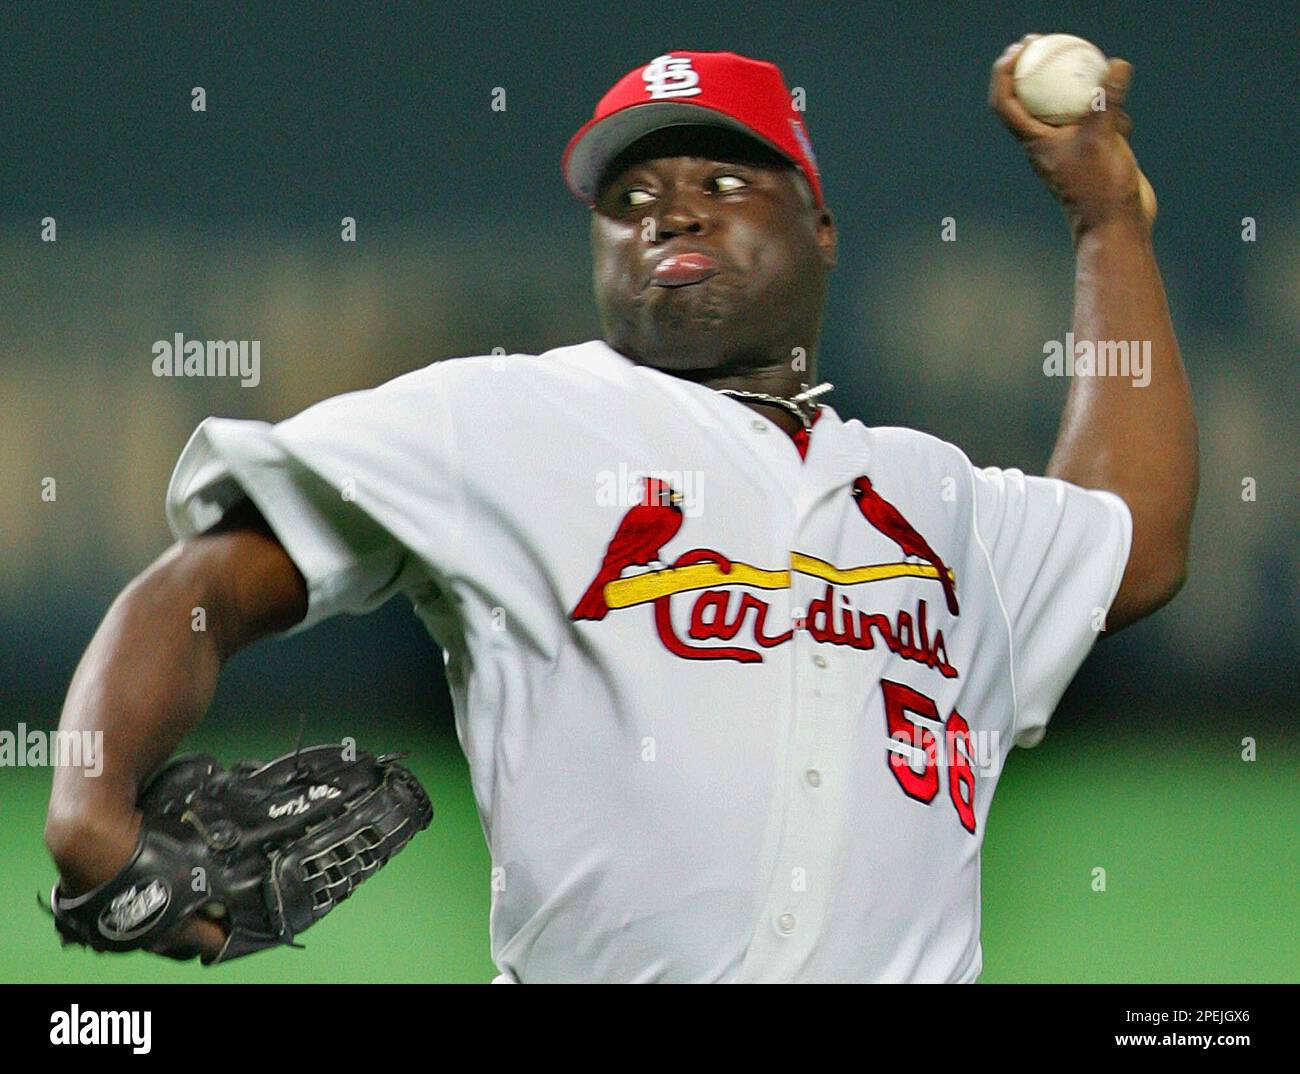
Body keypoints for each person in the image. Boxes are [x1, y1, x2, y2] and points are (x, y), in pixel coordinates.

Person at [45, 45, 1197, 982]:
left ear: (822, 228)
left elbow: (1129, 539)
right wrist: (91, 801)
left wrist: (1108, 225)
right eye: (631, 197)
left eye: (722, 183)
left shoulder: (932, 491)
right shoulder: (499, 418)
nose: (670, 215)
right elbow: (207, 584)